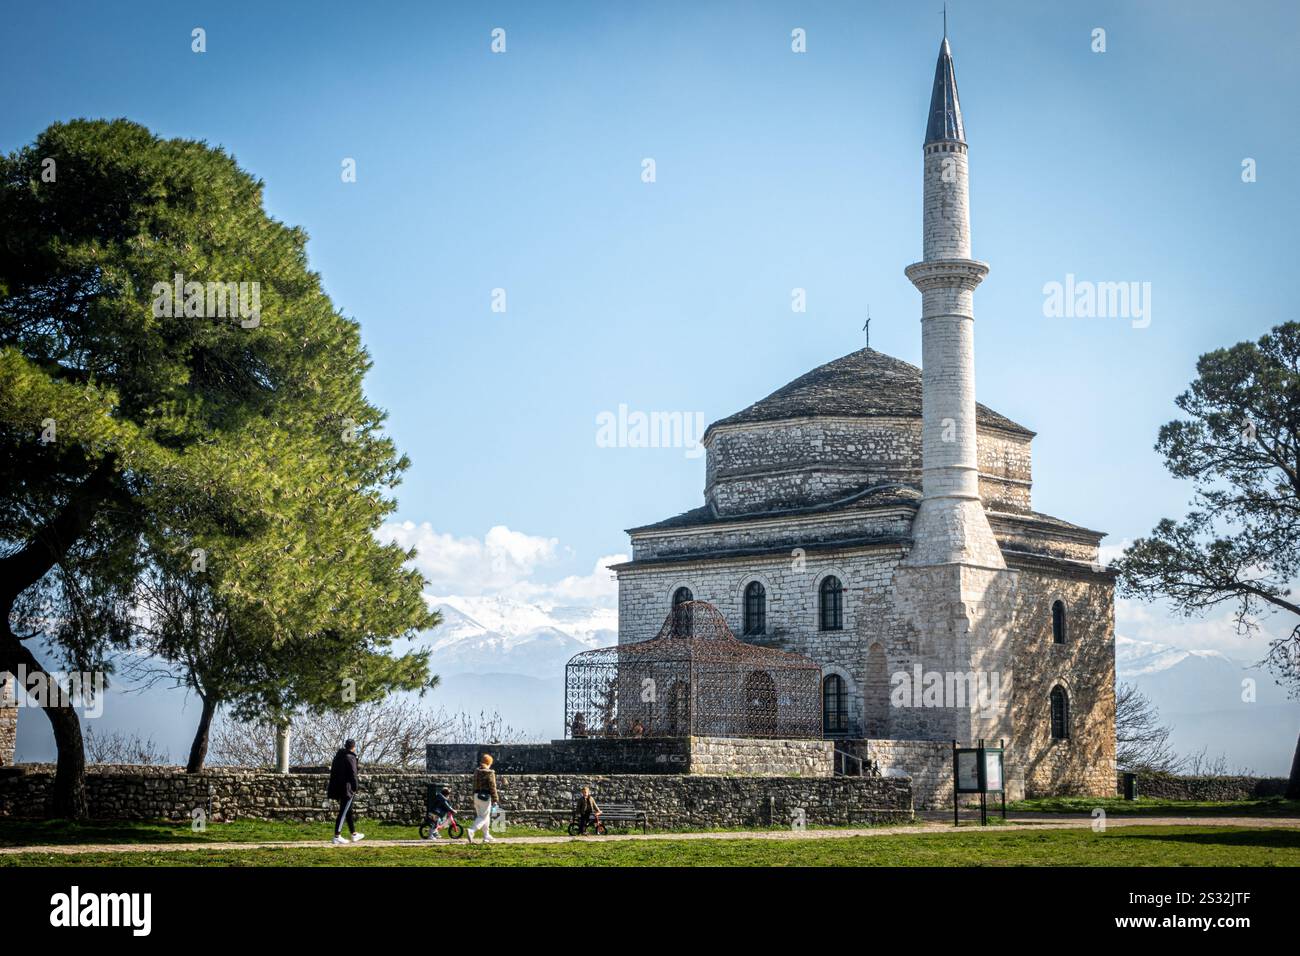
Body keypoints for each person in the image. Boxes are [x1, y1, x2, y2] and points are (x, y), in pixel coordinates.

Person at [327, 739, 365, 845]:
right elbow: (353, 773)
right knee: (343, 812)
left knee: (348, 811)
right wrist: (355, 787)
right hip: (346, 789)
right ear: (353, 747)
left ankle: (354, 834)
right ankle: (337, 836)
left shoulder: (338, 757)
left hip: (338, 787)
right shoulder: (350, 757)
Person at [467, 753, 499, 843]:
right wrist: (495, 799)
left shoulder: (477, 772)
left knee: (484, 816)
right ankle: (472, 830)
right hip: (485, 797)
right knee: (483, 817)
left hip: (476, 795)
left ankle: (486, 835)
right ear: (489, 763)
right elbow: (492, 786)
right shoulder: (489, 773)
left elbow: (474, 785)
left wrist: (473, 795)